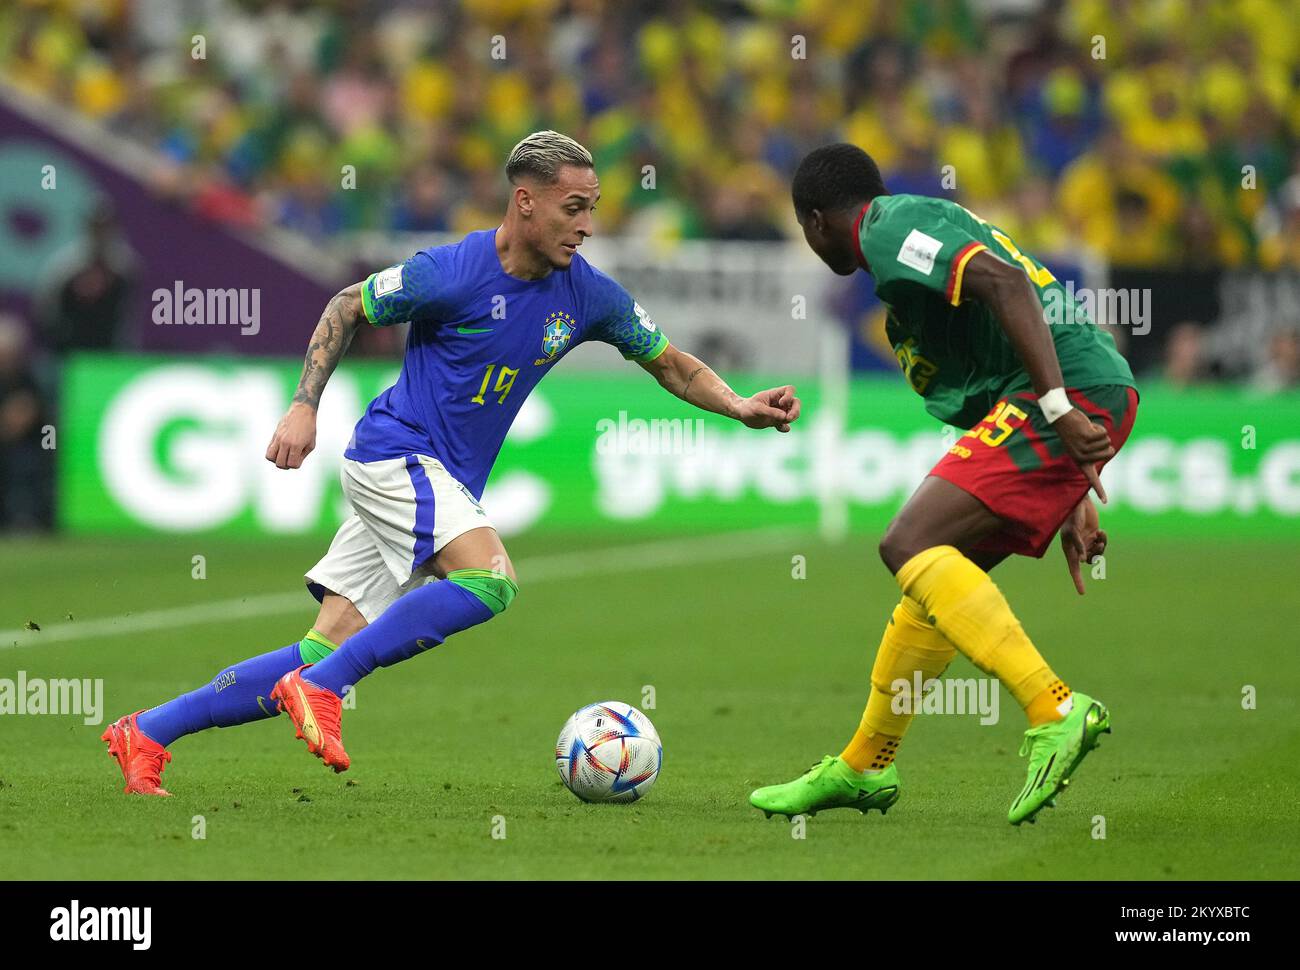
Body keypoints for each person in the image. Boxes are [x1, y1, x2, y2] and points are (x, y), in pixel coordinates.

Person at [101, 131, 802, 795]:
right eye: (574, 207)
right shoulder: (450, 273)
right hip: (394, 455)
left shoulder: (585, 293)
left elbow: (674, 366)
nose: (587, 224)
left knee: (319, 651)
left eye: (592, 209)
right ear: (525, 200)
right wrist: (304, 405)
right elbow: (347, 305)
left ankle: (149, 732)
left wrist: (738, 404)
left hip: (437, 480)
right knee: (489, 580)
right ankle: (319, 692)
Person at [750, 143, 1137, 826]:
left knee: (908, 541)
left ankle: (1056, 709)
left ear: (815, 223)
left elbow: (1006, 285)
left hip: (1068, 389)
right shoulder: (908, 307)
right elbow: (990, 382)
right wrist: (1073, 491)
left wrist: (1057, 408)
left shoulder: (889, 225)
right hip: (1064, 394)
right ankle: (866, 763)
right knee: (933, 574)